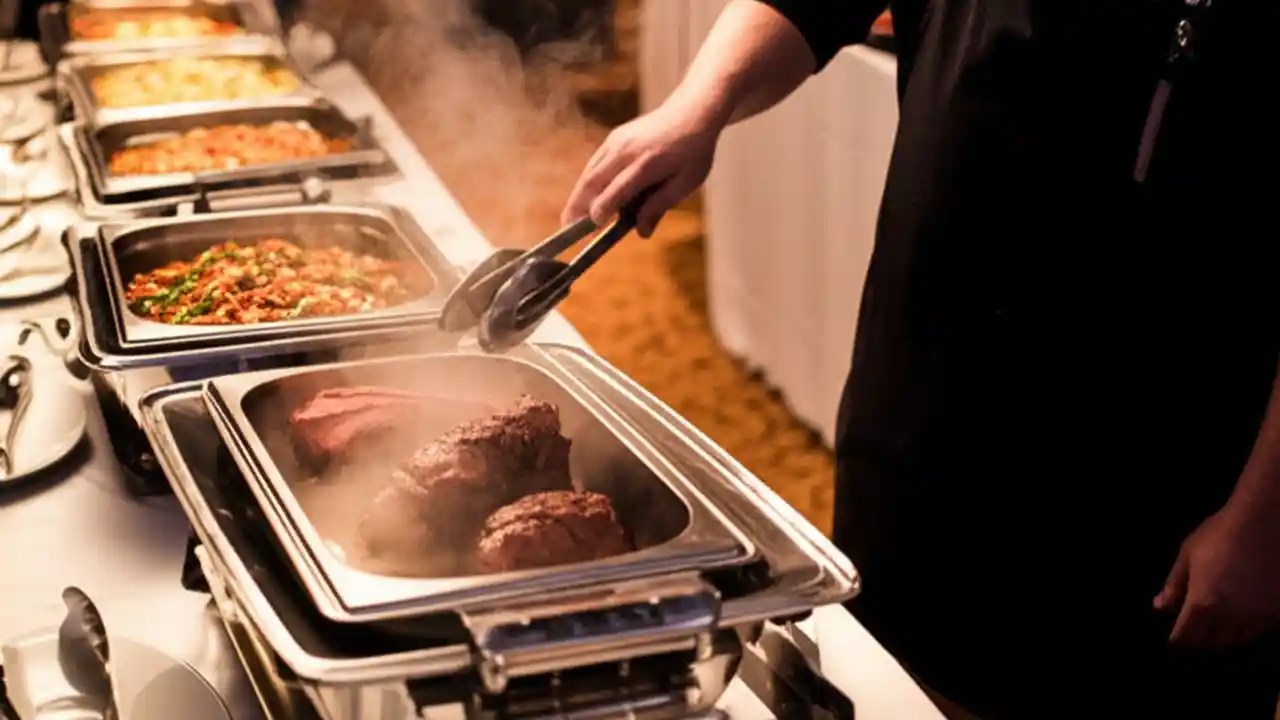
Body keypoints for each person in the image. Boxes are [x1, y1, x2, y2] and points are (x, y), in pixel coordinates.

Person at [562, 1, 1280, 718]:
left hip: (1152, 481)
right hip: (920, 412)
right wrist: (699, 106)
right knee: (895, 680)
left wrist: (1262, 525)